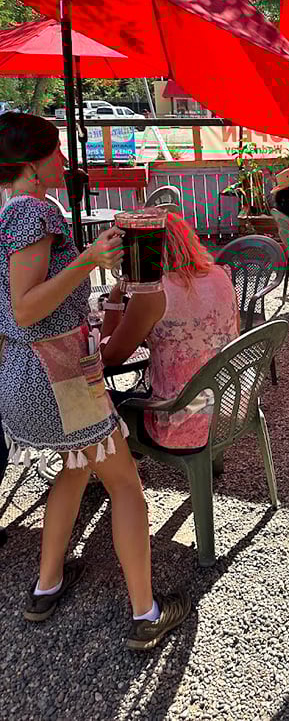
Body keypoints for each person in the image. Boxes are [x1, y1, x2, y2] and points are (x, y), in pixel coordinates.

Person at [0, 111, 190, 649]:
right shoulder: (34, 213)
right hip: (58, 381)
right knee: (127, 485)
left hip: (24, 377)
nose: (63, 161)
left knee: (76, 469)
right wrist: (87, 260)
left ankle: (47, 585)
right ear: (33, 165)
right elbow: (27, 307)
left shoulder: (9, 212)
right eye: (56, 153)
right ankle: (146, 614)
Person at [101, 211, 240, 449]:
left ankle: (118, 472)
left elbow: (110, 357)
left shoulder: (153, 293)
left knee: (94, 402)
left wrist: (115, 297)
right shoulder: (220, 274)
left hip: (178, 421)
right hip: (229, 408)